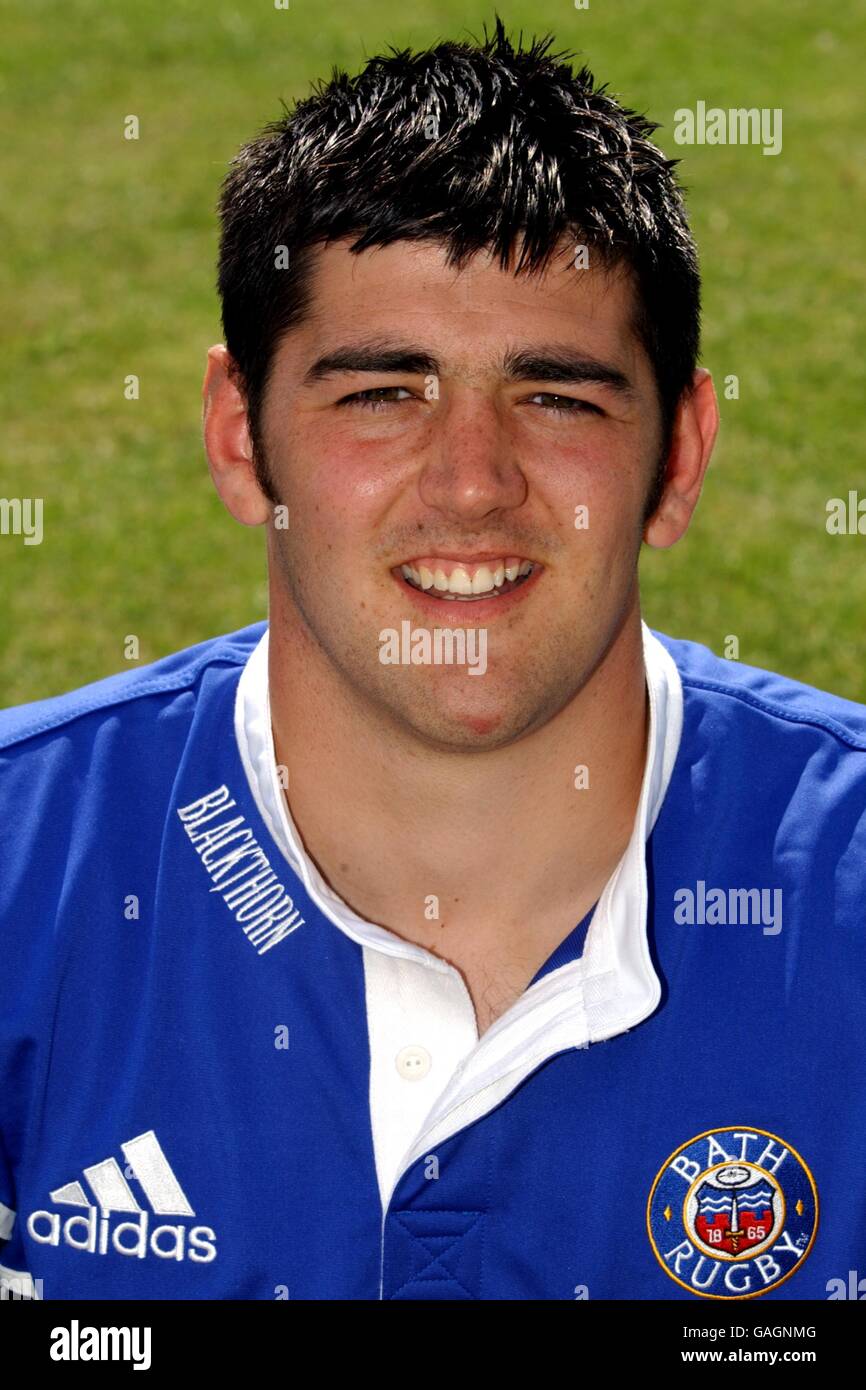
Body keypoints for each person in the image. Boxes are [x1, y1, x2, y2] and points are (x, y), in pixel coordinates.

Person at [1, 17, 863, 1303]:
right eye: (380, 392)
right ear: (240, 440)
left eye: (557, 395)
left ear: (676, 460)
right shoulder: (26, 866)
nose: (470, 484)